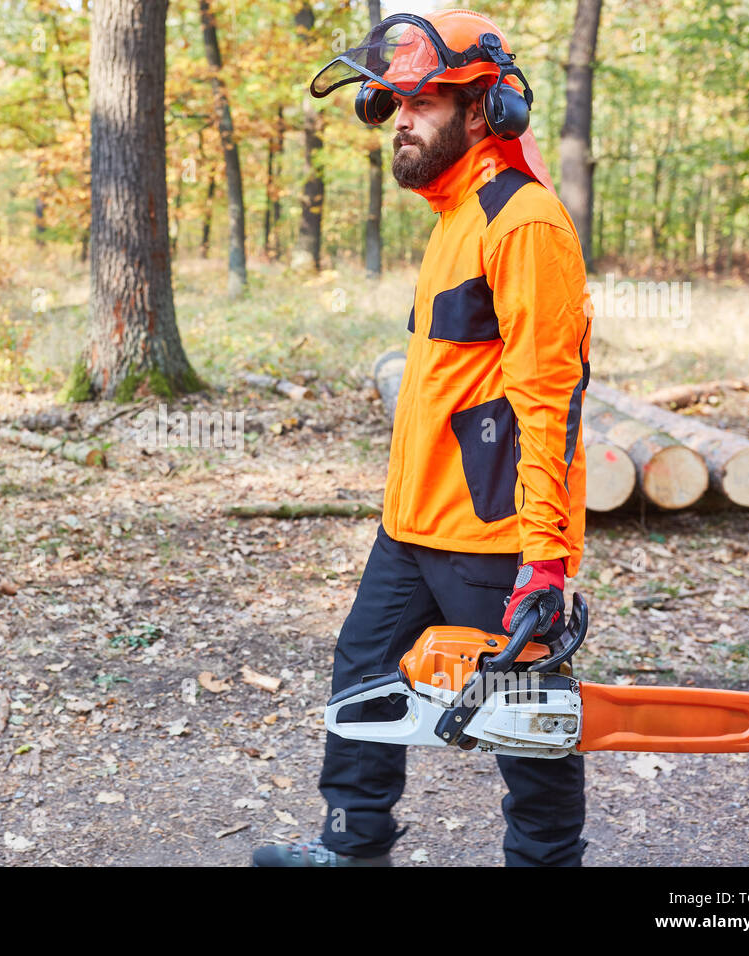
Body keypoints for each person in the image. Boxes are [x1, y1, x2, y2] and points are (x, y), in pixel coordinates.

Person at [253, 9, 592, 867]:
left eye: (423, 102)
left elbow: (549, 402)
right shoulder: (455, 219)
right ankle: (352, 846)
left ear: (483, 112)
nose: (400, 119)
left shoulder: (526, 224)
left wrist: (544, 563)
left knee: (526, 724)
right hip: (409, 528)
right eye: (394, 102)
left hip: (492, 538)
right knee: (362, 678)